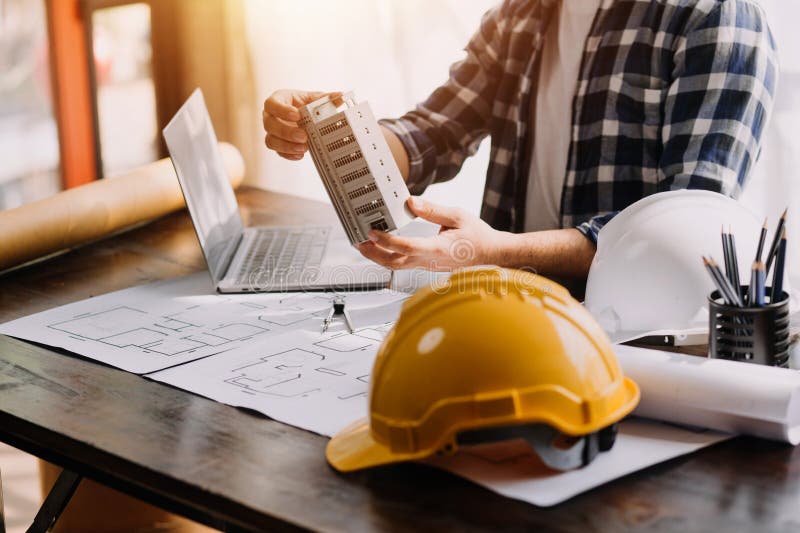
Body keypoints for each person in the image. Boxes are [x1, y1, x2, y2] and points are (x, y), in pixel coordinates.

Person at [262, 0, 777, 284]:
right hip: (512, 306)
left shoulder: (716, 17)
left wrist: (498, 251)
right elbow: (432, 133)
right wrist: (328, 132)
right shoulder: (521, 15)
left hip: (630, 337)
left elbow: (682, 234)